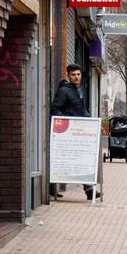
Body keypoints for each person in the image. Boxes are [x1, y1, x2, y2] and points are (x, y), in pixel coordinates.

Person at [50, 64, 89, 198]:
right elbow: (54, 109)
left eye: (78, 74)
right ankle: (51, 187)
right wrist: (69, 121)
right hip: (67, 132)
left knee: (82, 159)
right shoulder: (64, 90)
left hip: (79, 130)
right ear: (68, 76)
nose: (77, 77)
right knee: (67, 160)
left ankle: (89, 190)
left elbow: (81, 110)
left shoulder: (80, 89)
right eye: (73, 75)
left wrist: (93, 121)